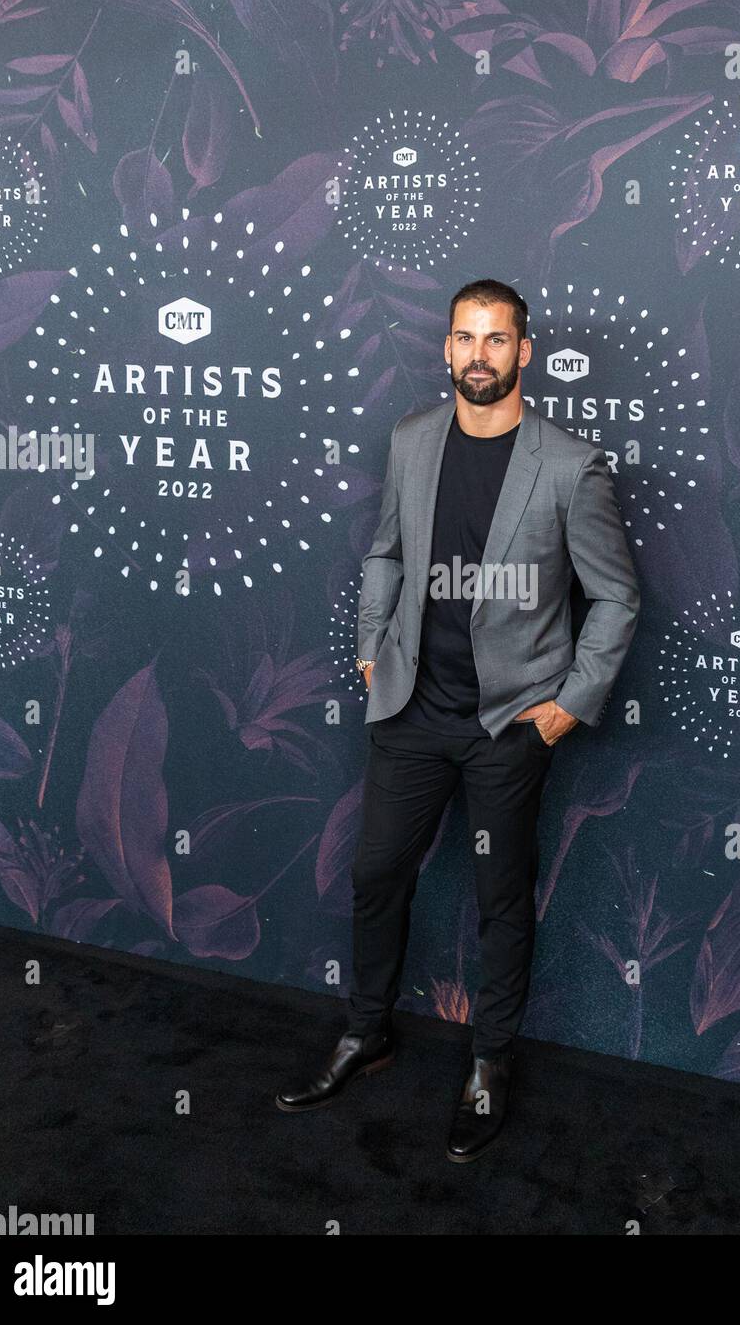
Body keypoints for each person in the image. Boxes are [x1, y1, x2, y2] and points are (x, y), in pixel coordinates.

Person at [275, 279, 640, 1162]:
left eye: (497, 340)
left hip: (510, 726)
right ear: (445, 350)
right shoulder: (410, 441)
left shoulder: (568, 465)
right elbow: (386, 551)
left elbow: (618, 599)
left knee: (500, 900)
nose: (479, 355)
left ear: (525, 353)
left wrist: (562, 711)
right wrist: (372, 647)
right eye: (465, 338)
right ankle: (369, 1032)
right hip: (411, 709)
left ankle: (488, 1062)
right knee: (375, 875)